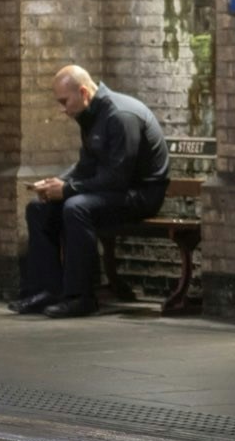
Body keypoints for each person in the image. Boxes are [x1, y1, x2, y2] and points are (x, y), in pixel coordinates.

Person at [9, 64, 171, 319]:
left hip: (141, 195)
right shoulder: (90, 116)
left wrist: (68, 190)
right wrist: (56, 183)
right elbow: (86, 167)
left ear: (83, 92)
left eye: (64, 101)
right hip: (113, 192)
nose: (62, 109)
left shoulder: (120, 116)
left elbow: (118, 177)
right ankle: (45, 290)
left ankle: (80, 297)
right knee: (38, 208)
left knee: (77, 207)